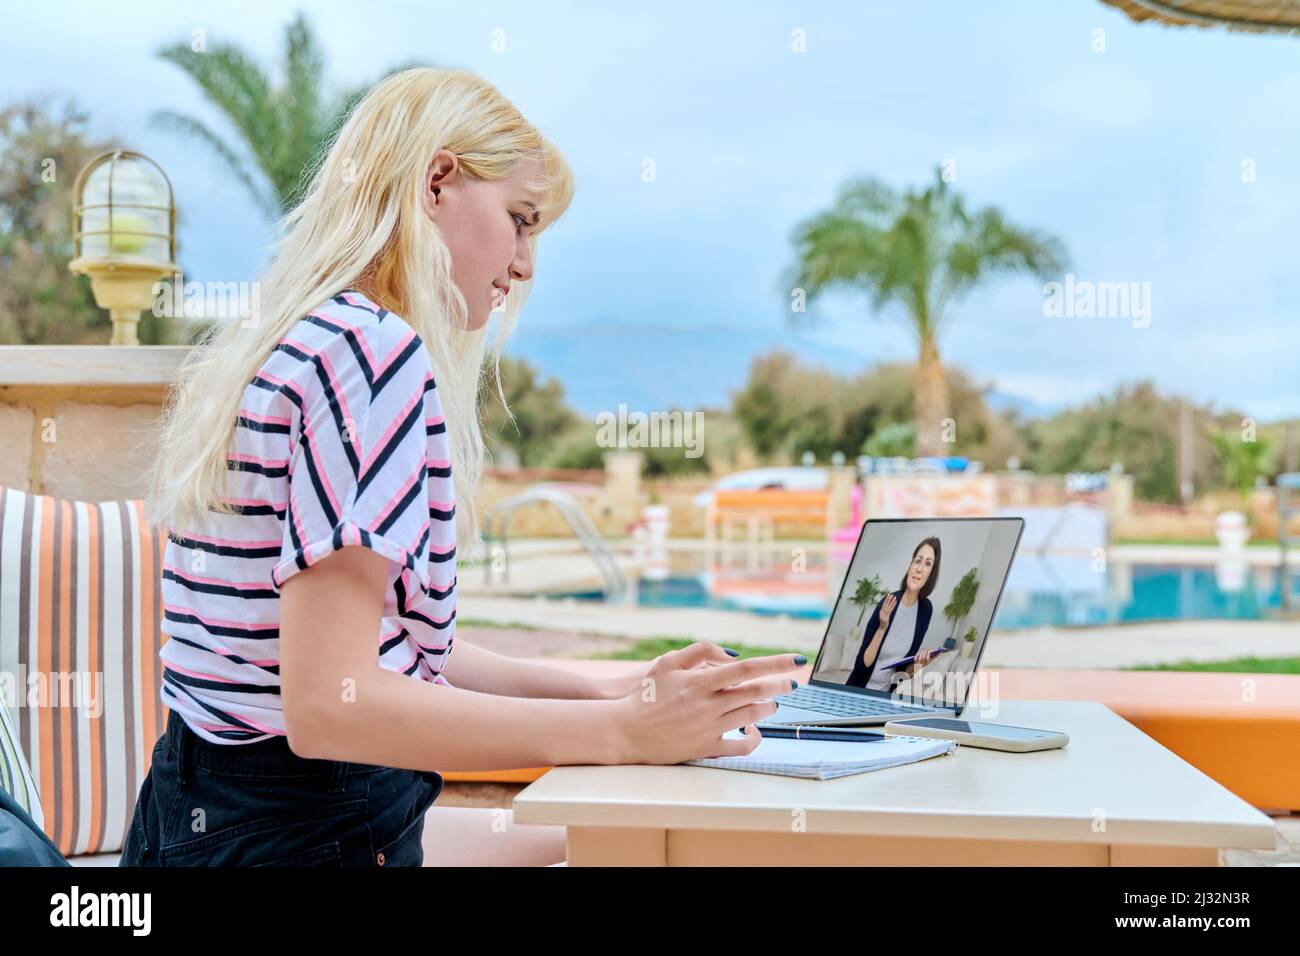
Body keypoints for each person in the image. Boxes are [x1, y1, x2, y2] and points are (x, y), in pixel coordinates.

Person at [120, 68, 802, 867]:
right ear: (438, 180)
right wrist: (620, 734)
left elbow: (390, 653)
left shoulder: (307, 337)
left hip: (229, 828)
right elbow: (328, 707)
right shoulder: (372, 354)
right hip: (294, 833)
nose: (525, 266)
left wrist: (618, 691)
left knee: (622, 843)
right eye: (520, 220)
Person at [845, 537, 942, 692]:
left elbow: (903, 674)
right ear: (910, 565)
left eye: (928, 564)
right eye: (918, 561)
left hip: (885, 697)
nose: (919, 568)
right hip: (859, 689)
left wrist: (920, 665)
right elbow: (861, 666)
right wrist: (882, 628)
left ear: (931, 574)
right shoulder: (889, 601)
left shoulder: (925, 610)